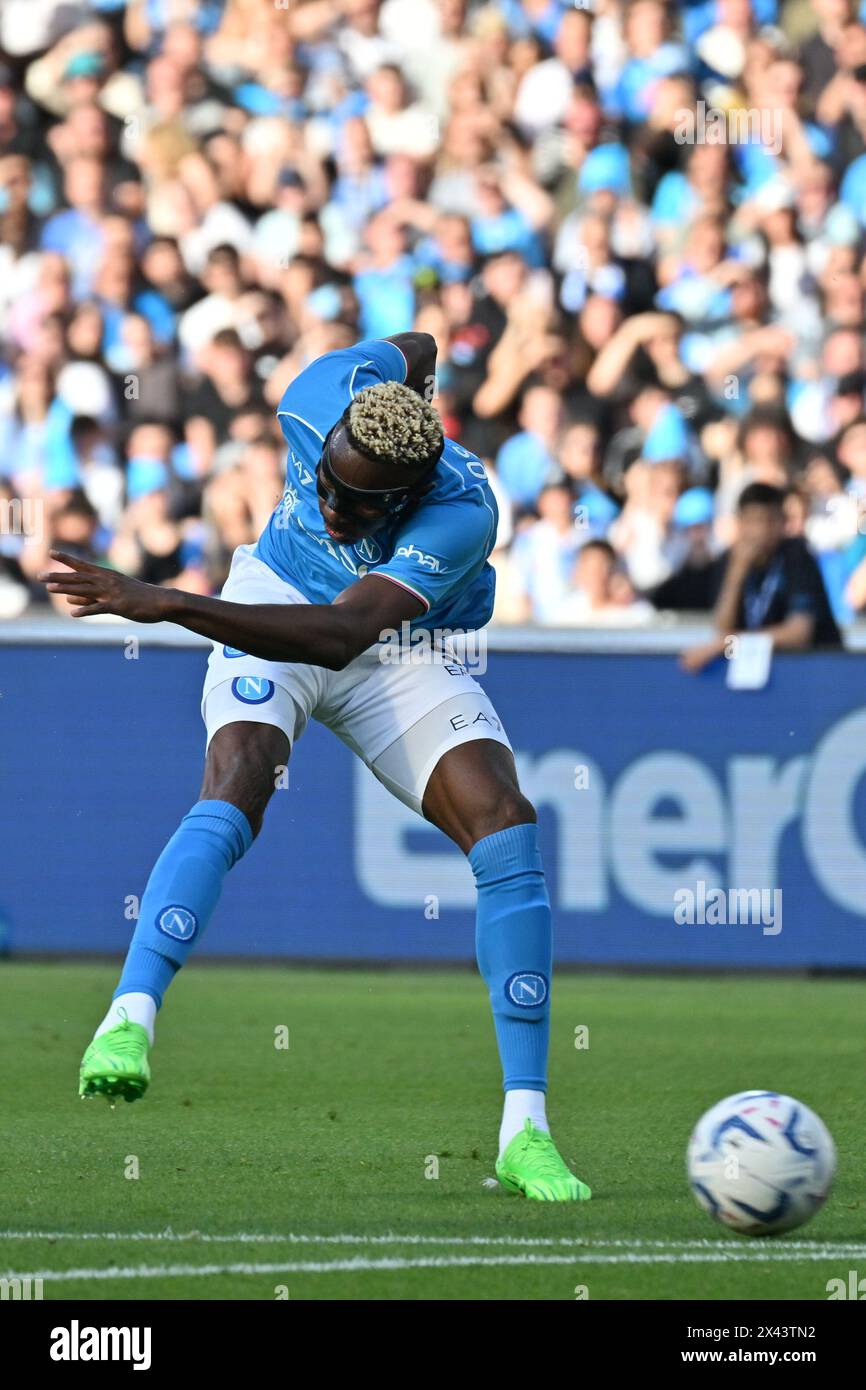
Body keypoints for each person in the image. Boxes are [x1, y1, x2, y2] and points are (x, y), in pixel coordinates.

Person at [39, 332, 590, 1203]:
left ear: (411, 492)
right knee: (240, 776)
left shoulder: (462, 509)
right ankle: (127, 1018)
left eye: (361, 506)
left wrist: (170, 603)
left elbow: (341, 638)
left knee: (506, 825)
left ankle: (526, 1131)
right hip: (271, 596)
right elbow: (420, 343)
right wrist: (419, 382)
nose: (333, 508)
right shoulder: (319, 391)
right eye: (326, 483)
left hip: (385, 640)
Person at [681, 482, 841, 673]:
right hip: (757, 672)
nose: (761, 531)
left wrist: (726, 645)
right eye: (752, 520)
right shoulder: (729, 560)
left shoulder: (797, 556)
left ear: (783, 522)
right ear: (739, 523)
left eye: (769, 520)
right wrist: (736, 573)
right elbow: (722, 628)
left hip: (813, 670)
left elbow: (798, 634)